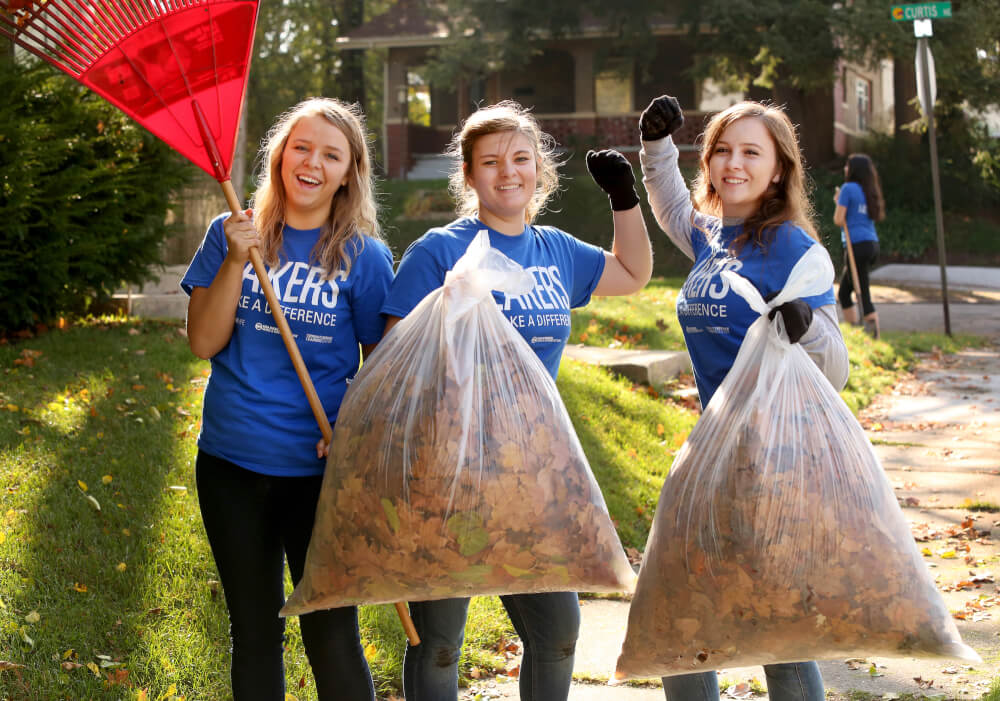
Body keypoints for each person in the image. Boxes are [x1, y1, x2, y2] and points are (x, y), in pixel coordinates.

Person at [380, 100, 652, 701]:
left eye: (521, 158)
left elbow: (633, 273)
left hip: (532, 472)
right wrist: (445, 311)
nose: (509, 172)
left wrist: (624, 199)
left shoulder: (554, 250)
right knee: (441, 639)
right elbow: (391, 362)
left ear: (539, 170)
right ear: (470, 175)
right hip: (450, 469)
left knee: (557, 631)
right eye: (492, 161)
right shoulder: (437, 251)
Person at [637, 95, 850, 701]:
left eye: (751, 152)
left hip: (774, 461)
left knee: (768, 628)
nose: (732, 163)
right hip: (713, 449)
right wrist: (656, 146)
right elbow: (673, 205)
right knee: (682, 617)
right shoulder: (711, 234)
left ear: (779, 168)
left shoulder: (793, 249)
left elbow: (835, 369)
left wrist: (806, 325)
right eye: (722, 151)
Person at [181, 98, 393, 701]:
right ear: (280, 155)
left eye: (331, 154)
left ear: (350, 172)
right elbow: (203, 341)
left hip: (319, 471)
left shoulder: (364, 257)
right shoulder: (232, 232)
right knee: (252, 633)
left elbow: (384, 372)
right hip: (231, 462)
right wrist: (232, 258)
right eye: (301, 147)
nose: (312, 163)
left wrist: (353, 420)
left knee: (330, 633)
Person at [834, 153, 885, 338]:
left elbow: (839, 219)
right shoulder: (870, 190)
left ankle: (871, 335)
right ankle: (856, 332)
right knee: (846, 293)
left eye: (848, 165)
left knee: (861, 291)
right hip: (872, 245)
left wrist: (838, 202)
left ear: (854, 169)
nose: (845, 169)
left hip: (856, 245)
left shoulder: (848, 189)